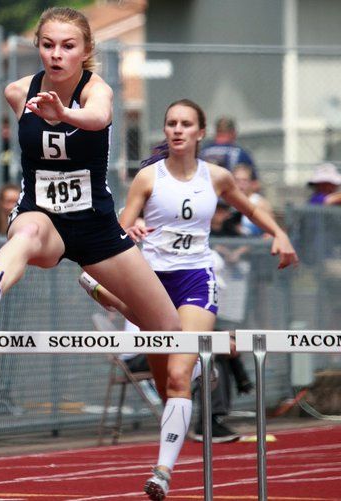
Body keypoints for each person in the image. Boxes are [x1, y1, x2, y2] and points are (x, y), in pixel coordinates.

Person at [78, 99, 298, 500]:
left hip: (196, 279)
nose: (177, 130)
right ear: (165, 131)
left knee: (178, 378)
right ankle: (189, 359)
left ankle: (162, 472)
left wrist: (278, 235)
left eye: (186, 124)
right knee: (169, 389)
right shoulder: (148, 178)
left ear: (200, 133)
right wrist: (135, 229)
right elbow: (119, 230)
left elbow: (249, 207)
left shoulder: (216, 177)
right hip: (152, 281)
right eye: (171, 124)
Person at [0, 8, 180, 343]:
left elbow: (99, 117)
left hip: (95, 223)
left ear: (86, 50)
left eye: (68, 46)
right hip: (41, 213)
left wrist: (64, 113)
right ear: (37, 46)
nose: (56, 55)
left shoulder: (97, 90)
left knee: (167, 327)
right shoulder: (18, 92)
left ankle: (105, 293)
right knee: (27, 235)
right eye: (48, 45)